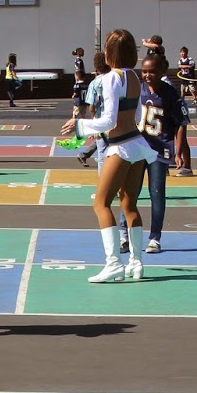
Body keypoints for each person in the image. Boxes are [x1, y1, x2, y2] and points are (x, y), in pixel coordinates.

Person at [60, 28, 157, 283]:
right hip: (136, 144)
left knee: (101, 203)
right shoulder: (134, 77)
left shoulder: (110, 79)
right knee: (129, 205)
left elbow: (108, 120)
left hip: (121, 146)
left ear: (110, 52)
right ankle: (136, 263)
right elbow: (131, 117)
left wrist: (79, 125)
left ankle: (113, 263)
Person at [137, 55, 187, 252]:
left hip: (158, 148)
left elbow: (181, 124)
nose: (148, 75)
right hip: (137, 147)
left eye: (152, 72)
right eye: (145, 71)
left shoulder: (170, 94)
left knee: (156, 192)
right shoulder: (137, 89)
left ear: (162, 73)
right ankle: (125, 233)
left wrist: (178, 152)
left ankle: (155, 236)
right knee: (130, 192)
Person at [75, 49, 109, 170]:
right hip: (116, 122)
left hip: (101, 121)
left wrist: (94, 120)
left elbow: (91, 107)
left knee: (102, 153)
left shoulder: (95, 83)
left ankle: (104, 183)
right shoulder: (118, 78)